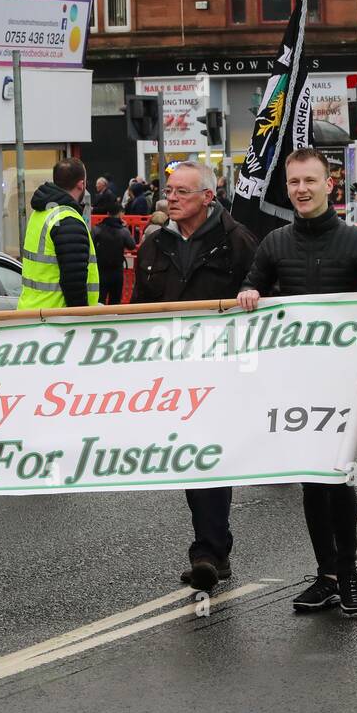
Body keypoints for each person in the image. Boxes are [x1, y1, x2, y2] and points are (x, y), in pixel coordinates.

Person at [238, 148, 357, 615]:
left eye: (310, 181)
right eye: (293, 183)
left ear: (330, 184)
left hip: (341, 385)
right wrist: (249, 293)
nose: (301, 190)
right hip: (294, 381)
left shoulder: (355, 240)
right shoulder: (275, 243)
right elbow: (254, 283)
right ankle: (326, 574)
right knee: (310, 479)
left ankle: (348, 573)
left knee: (337, 476)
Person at [131, 159, 257, 590]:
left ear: (208, 195)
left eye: (182, 192)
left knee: (210, 457)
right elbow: (137, 311)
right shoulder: (153, 244)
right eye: (169, 191)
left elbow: (263, 297)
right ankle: (213, 545)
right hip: (173, 372)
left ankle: (208, 551)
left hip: (220, 372)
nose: (172, 198)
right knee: (191, 458)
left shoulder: (237, 242)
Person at [18, 158, 99, 310]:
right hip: (57, 321)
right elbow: (73, 282)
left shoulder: (40, 213)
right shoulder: (68, 220)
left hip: (31, 313)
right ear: (81, 184)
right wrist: (82, 319)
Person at [92, 200, 135, 305]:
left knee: (99, 300)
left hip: (100, 270)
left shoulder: (97, 229)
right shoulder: (123, 231)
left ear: (107, 213)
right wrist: (126, 227)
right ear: (120, 213)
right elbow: (131, 245)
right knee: (115, 301)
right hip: (116, 270)